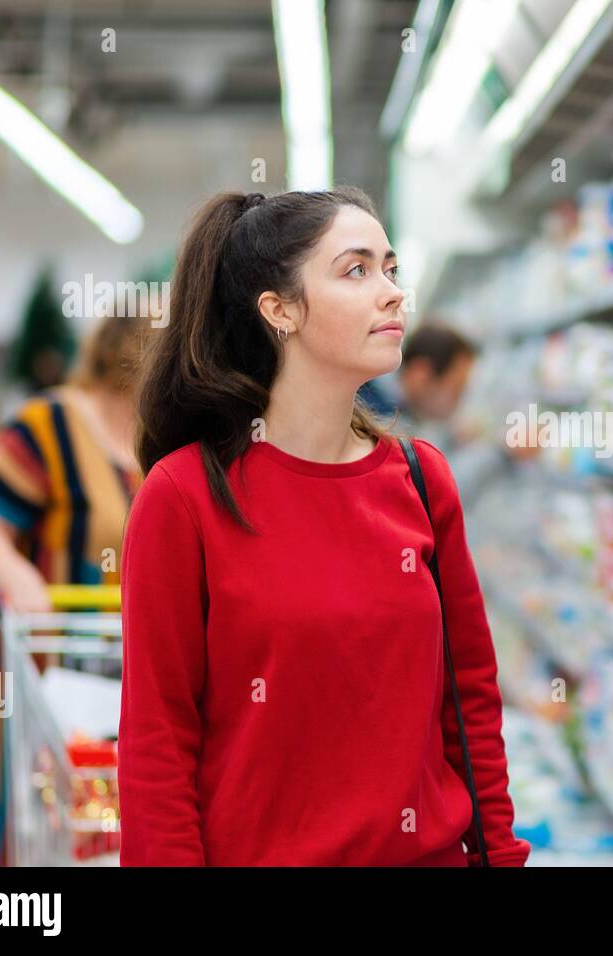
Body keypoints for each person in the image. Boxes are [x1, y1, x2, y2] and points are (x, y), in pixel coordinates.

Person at [119, 188, 529, 867]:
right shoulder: (184, 497)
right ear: (279, 311)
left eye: (392, 268)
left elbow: (470, 700)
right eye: (357, 270)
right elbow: (157, 744)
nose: (394, 293)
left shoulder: (423, 481)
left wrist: (503, 856)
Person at [0, 313, 145, 864]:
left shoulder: (163, 431)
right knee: (34, 820)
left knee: (101, 818)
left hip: (116, 662)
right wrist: (21, 578)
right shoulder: (47, 425)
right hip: (37, 659)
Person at [358, 322, 478, 423]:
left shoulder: (392, 411)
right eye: (456, 390)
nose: (458, 402)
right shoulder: (366, 409)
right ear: (421, 375)